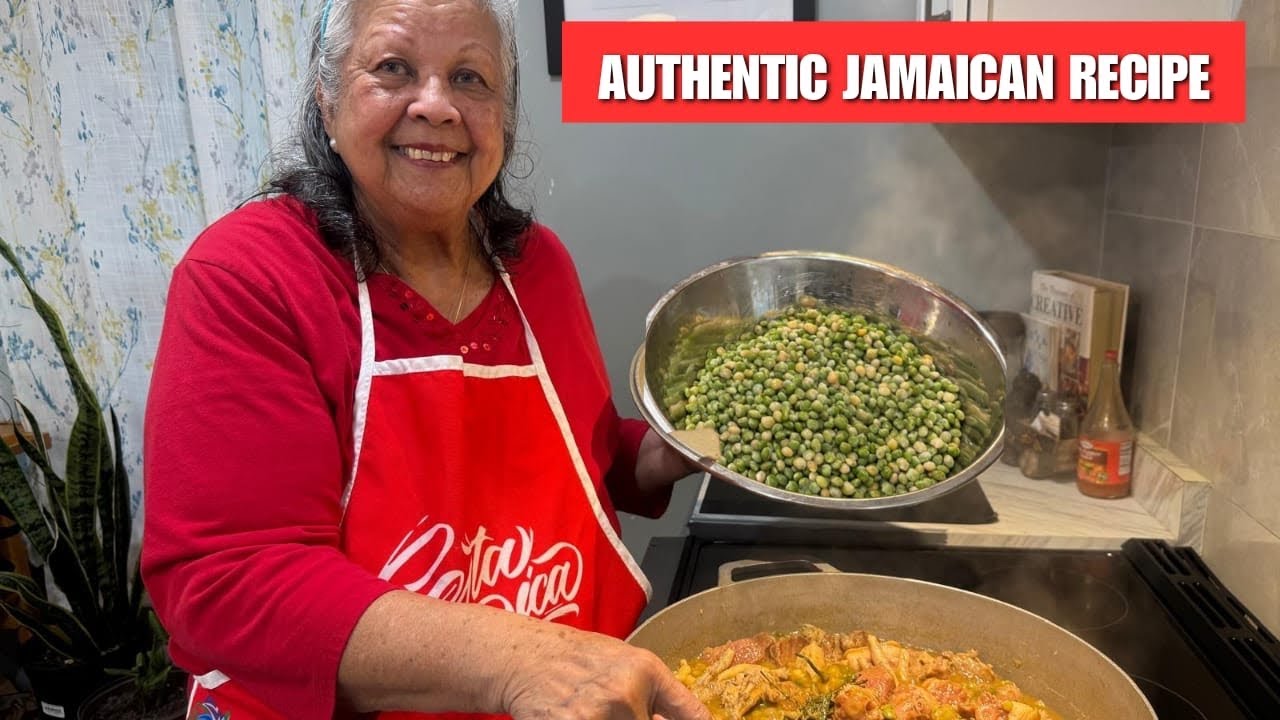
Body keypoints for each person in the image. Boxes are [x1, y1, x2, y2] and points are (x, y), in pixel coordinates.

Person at [139, 1, 711, 718]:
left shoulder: (535, 264)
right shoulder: (250, 275)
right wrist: (521, 662)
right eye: (393, 69)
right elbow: (229, 579)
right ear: (326, 94)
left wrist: (662, 451)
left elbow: (577, 460)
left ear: (502, 113)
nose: (437, 106)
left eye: (470, 78)